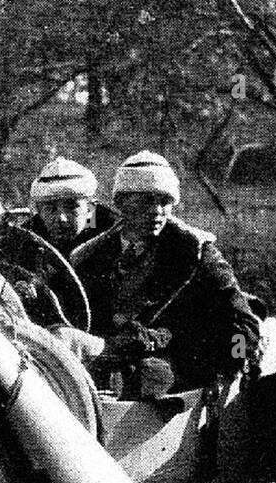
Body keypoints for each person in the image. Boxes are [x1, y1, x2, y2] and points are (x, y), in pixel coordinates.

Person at [65, 150, 261, 398]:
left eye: (165, 201)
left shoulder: (198, 254)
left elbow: (244, 324)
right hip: (99, 370)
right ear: (121, 202)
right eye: (146, 201)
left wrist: (228, 368)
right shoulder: (88, 257)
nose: (157, 211)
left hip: (175, 374)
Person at [0, 156, 118, 329]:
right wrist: (18, 288)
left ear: (90, 208)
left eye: (71, 206)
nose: (61, 218)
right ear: (39, 210)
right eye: (50, 208)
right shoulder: (26, 237)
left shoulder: (112, 232)